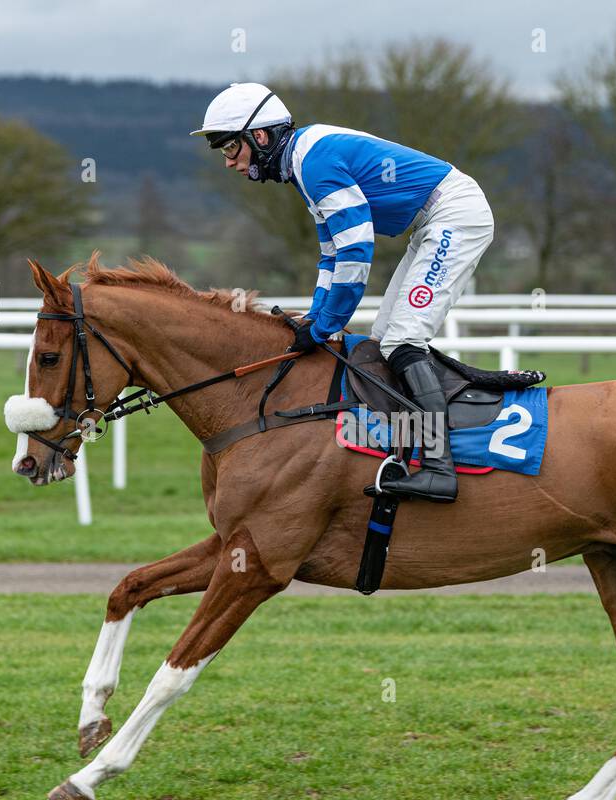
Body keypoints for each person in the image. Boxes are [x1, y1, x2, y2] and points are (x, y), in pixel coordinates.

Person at [191, 82, 496, 503]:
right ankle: (407, 448)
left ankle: (440, 468)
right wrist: (316, 319)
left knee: (403, 340)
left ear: (259, 137)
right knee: (387, 340)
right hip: (436, 219)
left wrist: (327, 325)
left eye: (229, 149)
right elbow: (331, 254)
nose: (229, 163)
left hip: (455, 215)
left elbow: (356, 251)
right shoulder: (303, 163)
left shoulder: (314, 161)